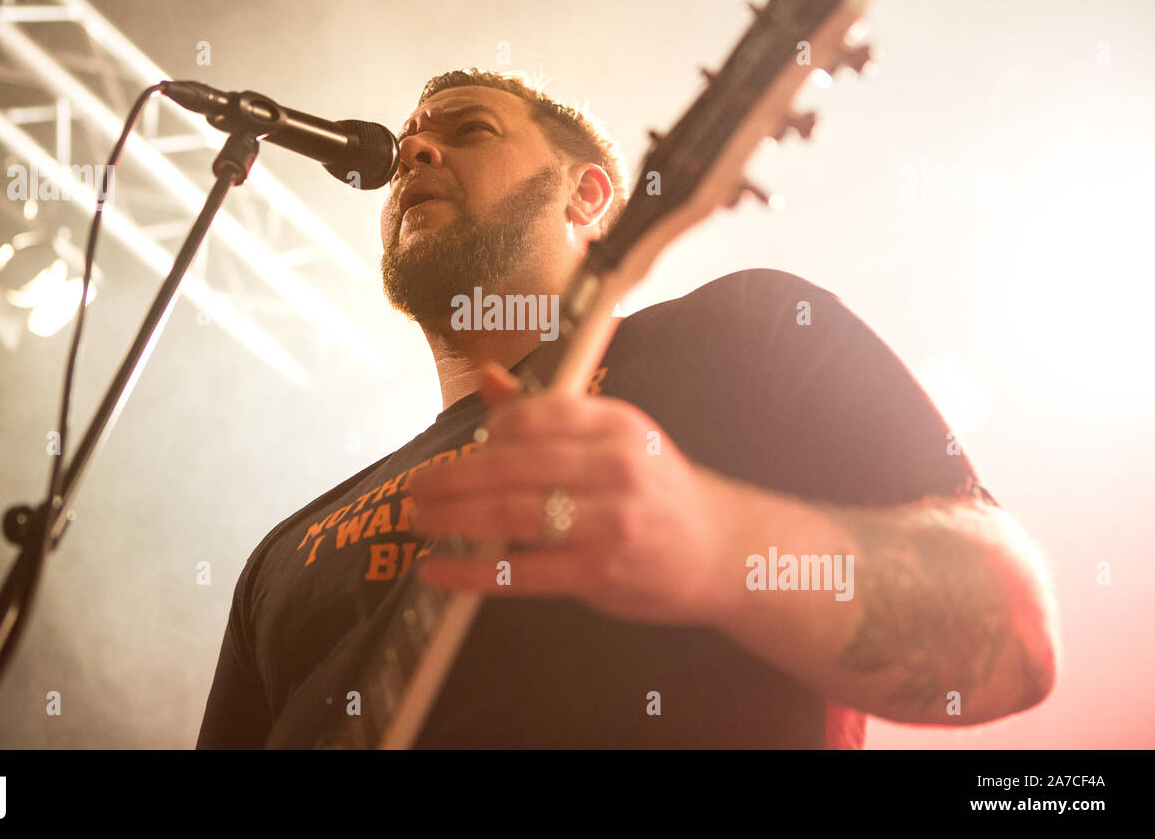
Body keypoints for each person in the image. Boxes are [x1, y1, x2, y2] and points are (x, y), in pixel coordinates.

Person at [196, 68, 1059, 748]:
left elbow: (1010, 631)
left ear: (589, 196)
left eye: (468, 130)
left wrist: (715, 542)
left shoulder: (739, 332)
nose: (412, 155)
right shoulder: (284, 553)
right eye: (409, 145)